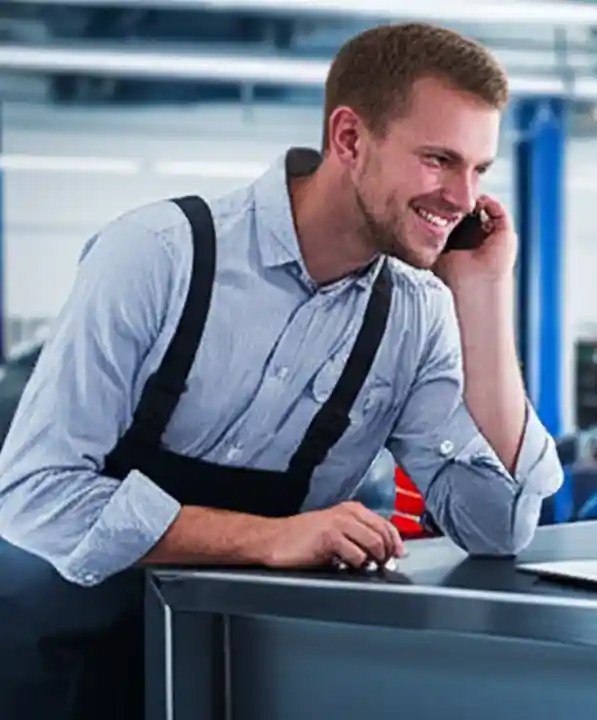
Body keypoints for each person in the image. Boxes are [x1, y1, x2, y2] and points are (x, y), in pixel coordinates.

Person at [0, 21, 563, 718]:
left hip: (241, 670)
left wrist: (483, 293)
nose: (461, 197)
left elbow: (498, 527)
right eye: (438, 160)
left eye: (479, 170)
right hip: (62, 662)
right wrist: (268, 537)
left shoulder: (415, 313)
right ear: (350, 139)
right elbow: (33, 493)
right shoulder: (156, 254)